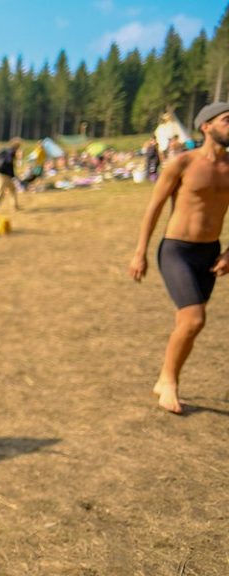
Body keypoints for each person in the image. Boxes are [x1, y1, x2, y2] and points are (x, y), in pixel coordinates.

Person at [128, 102, 229, 414]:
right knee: (194, 319)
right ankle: (168, 381)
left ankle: (166, 377)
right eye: (227, 120)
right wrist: (140, 252)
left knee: (188, 324)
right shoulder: (182, 163)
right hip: (176, 251)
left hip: (209, 252)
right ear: (206, 126)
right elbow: (154, 207)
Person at [0, 138, 22, 212]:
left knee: (12, 189)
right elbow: (9, 162)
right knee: (0, 191)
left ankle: (15, 206)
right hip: (4, 174)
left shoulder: (6, 150)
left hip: (1, 173)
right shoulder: (11, 152)